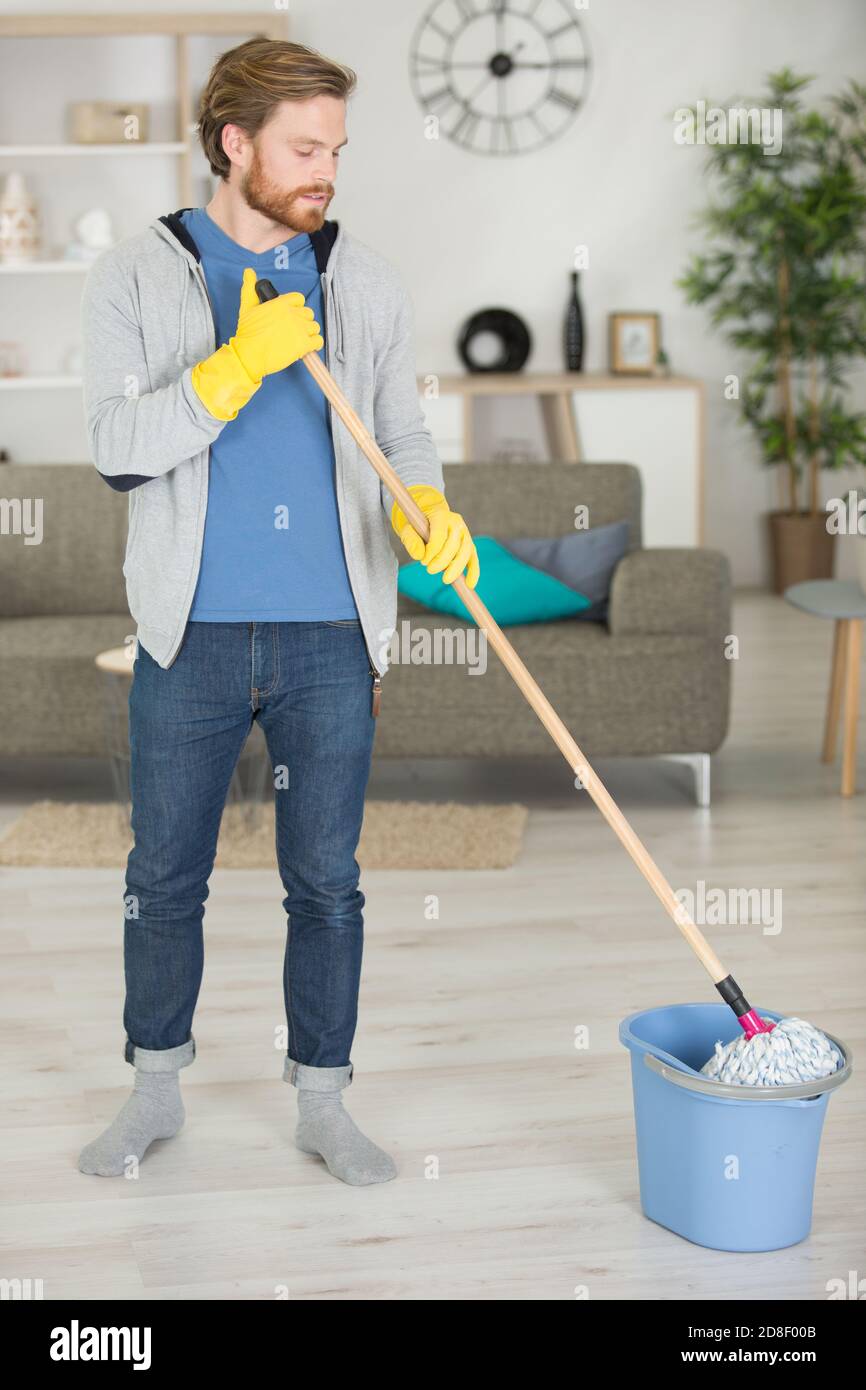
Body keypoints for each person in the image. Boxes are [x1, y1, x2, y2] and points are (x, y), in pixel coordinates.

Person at [78, 37, 480, 1187]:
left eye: (336, 150)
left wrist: (427, 509)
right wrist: (234, 364)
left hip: (330, 641)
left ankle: (322, 1102)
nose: (326, 173)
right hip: (187, 638)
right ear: (233, 142)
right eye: (305, 148)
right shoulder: (136, 277)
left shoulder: (365, 280)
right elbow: (114, 448)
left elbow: (398, 435)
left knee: (329, 881)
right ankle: (154, 1092)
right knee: (163, 876)